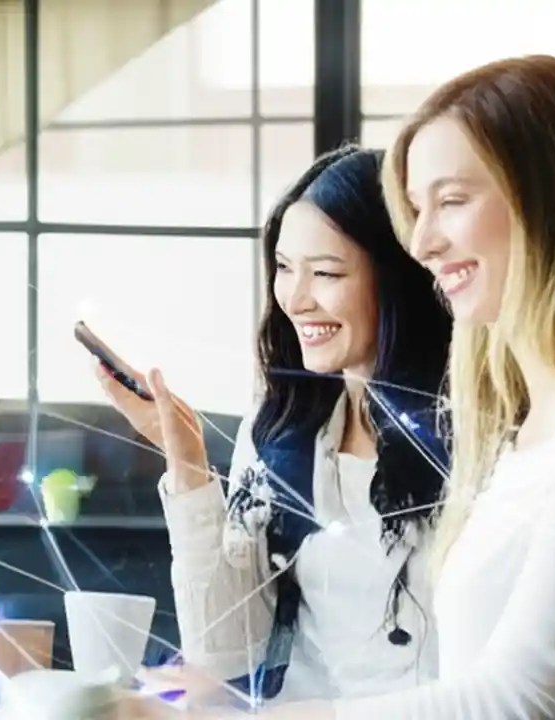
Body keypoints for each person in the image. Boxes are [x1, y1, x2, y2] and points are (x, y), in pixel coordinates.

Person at [259, 54, 555, 720]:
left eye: (452, 201)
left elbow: (518, 699)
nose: (424, 242)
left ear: (547, 200)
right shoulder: (520, 434)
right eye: (415, 208)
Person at [98, 147, 453, 704]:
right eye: (285, 268)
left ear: (398, 279)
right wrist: (185, 461)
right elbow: (225, 650)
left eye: (326, 273)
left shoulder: (470, 438)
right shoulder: (285, 427)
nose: (296, 298)